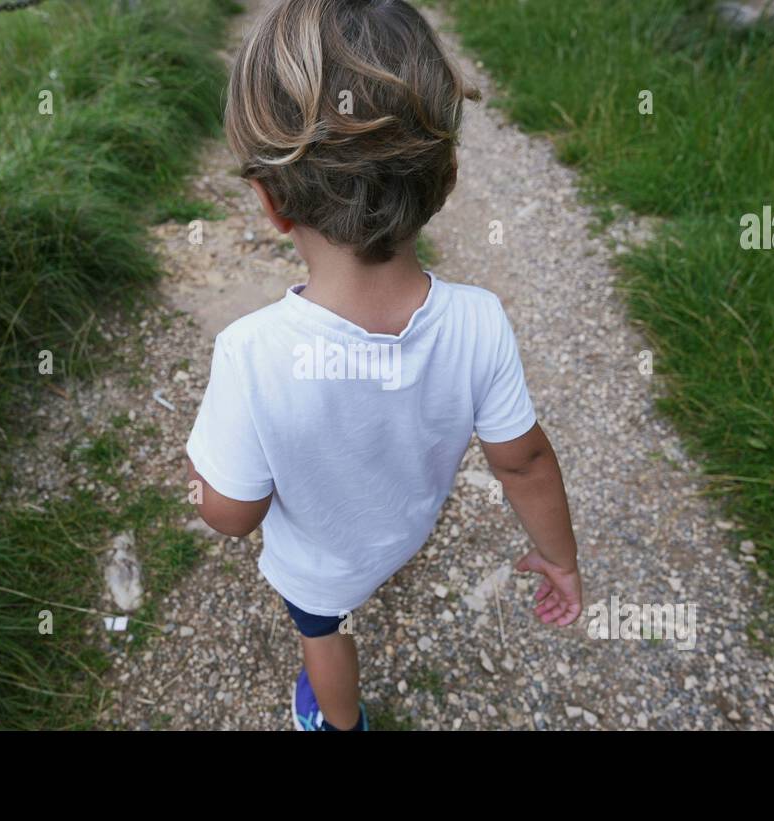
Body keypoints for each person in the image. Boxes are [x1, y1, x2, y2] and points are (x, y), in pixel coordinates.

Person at [186, 0, 582, 731]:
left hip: (321, 571)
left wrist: (204, 473)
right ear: (446, 176)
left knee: (324, 635)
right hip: (402, 534)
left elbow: (231, 516)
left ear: (270, 202)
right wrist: (559, 558)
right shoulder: (479, 321)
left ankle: (341, 724)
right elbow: (524, 461)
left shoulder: (252, 354)